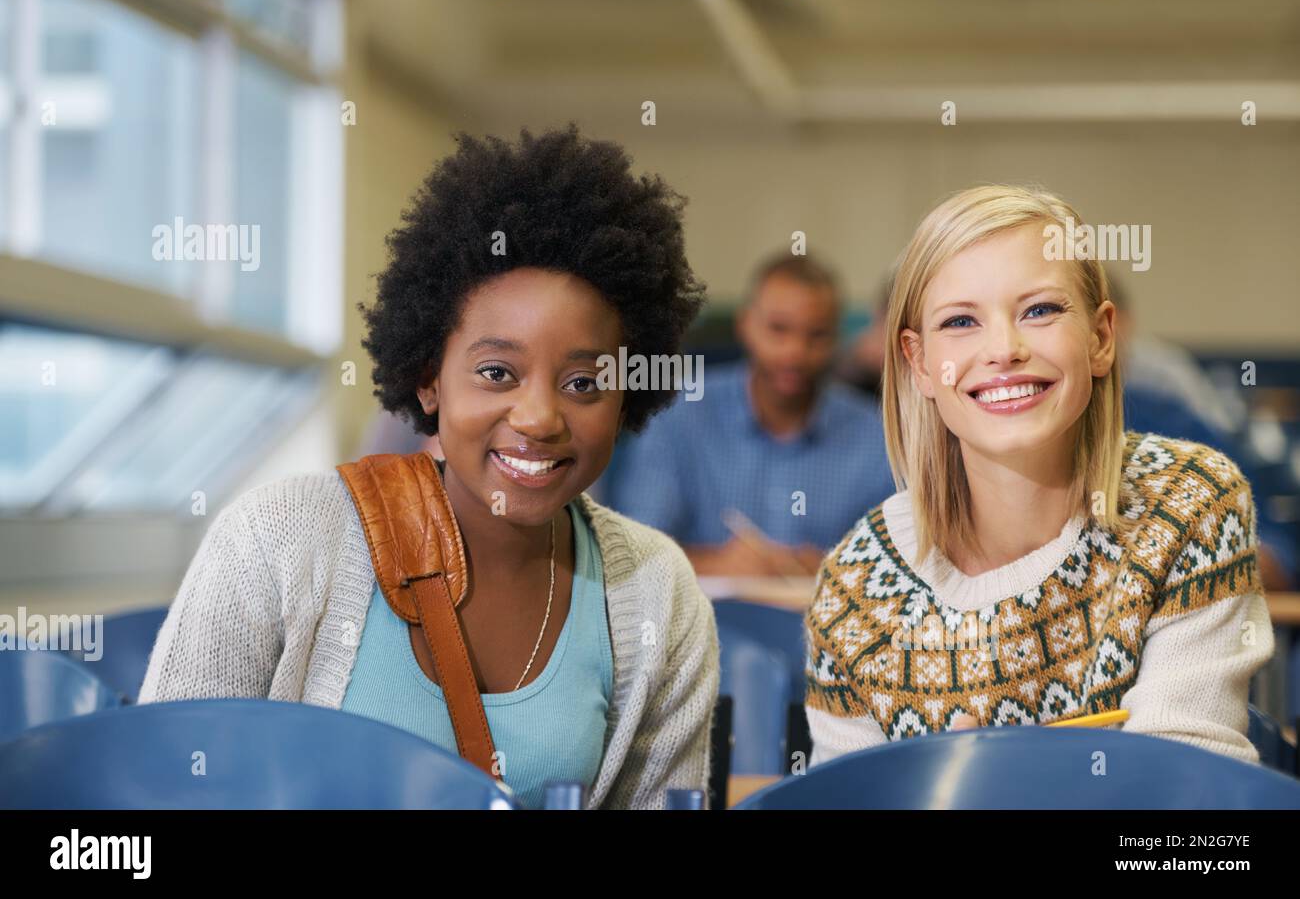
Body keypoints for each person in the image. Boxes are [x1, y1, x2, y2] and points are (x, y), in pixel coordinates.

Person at [140, 124, 719, 809]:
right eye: (497, 371)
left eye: (584, 383)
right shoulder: (278, 539)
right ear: (428, 379)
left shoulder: (658, 591)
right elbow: (154, 798)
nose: (539, 416)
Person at [804, 184, 1273, 765]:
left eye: (1040, 310)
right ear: (920, 363)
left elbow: (1179, 825)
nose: (1004, 348)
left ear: (1101, 339)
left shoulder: (1189, 504)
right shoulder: (854, 588)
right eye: (960, 321)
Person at [610, 253, 896, 577]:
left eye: (816, 335)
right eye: (778, 329)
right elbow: (634, 551)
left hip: (821, 622)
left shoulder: (876, 437)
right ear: (745, 324)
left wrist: (839, 569)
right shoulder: (678, 413)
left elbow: (898, 569)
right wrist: (718, 563)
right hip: (706, 622)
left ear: (836, 337)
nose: (794, 352)